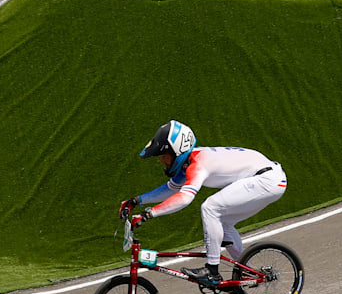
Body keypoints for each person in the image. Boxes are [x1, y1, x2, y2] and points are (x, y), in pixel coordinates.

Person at [119, 121, 287, 284]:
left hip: (267, 180)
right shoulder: (189, 161)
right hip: (267, 179)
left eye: (164, 156)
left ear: (178, 153)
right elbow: (170, 189)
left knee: (210, 208)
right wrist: (137, 200)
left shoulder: (198, 164)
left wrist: (149, 214)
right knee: (223, 223)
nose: (162, 161)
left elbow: (185, 198)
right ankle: (248, 273)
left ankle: (212, 271)